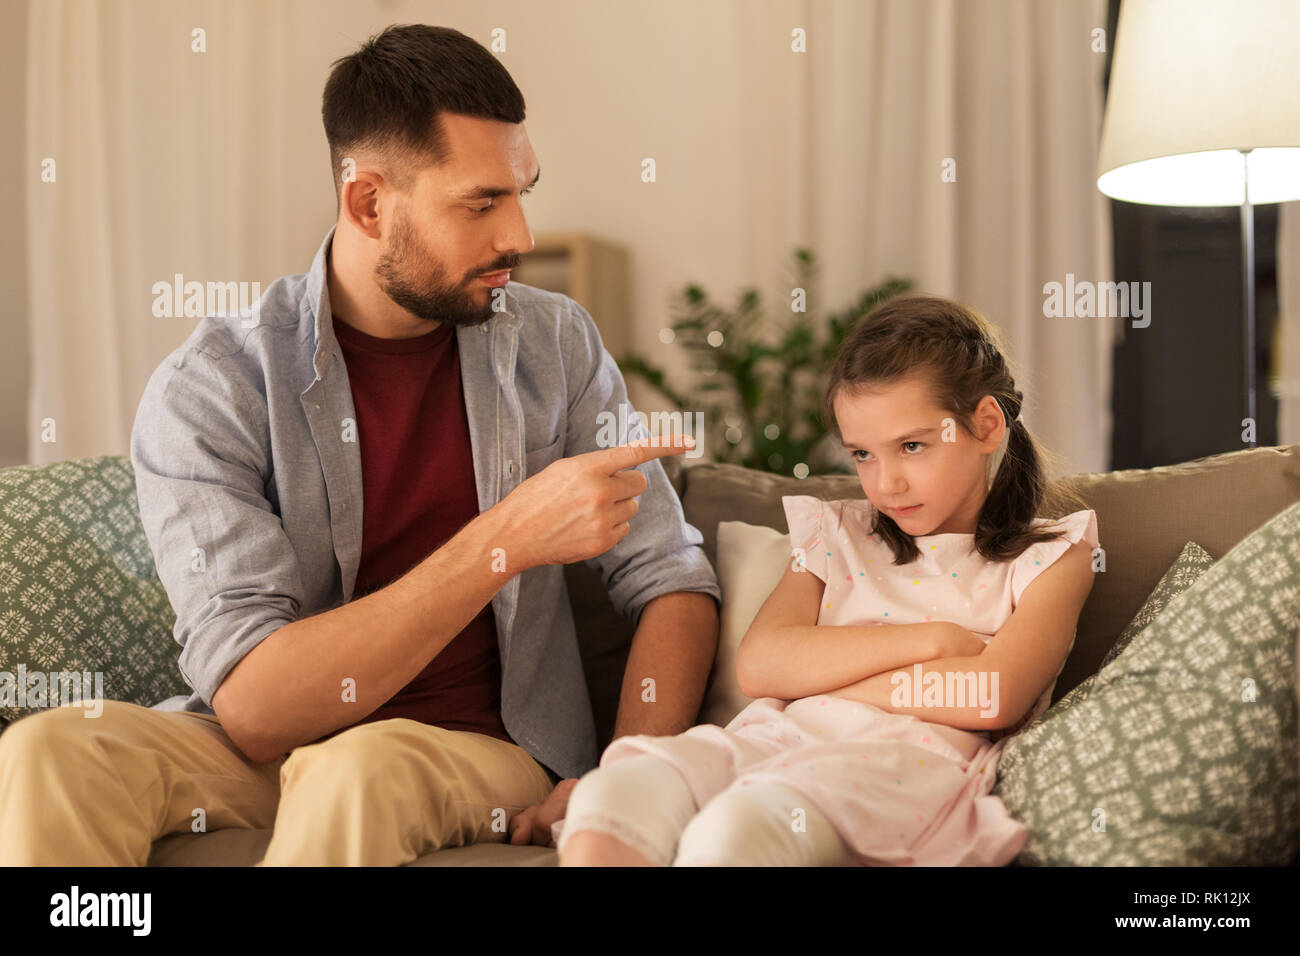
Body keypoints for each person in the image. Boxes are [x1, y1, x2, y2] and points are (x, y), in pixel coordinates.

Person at [0, 24, 720, 866]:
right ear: (369, 203)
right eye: (482, 202)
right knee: (51, 752)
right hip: (266, 755)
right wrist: (506, 539)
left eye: (522, 191)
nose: (519, 233)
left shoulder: (553, 346)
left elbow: (672, 580)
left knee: (357, 768)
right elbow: (257, 708)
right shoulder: (215, 385)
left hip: (478, 753)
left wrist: (624, 778)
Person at [556, 292, 1099, 866]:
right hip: (777, 739)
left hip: (900, 768)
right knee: (613, 792)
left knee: (741, 826)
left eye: (911, 446)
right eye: (863, 455)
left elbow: (990, 695)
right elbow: (762, 664)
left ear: (986, 425)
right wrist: (936, 641)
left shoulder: (1052, 554)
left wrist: (818, 677)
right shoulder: (839, 532)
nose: (885, 483)